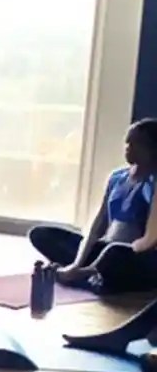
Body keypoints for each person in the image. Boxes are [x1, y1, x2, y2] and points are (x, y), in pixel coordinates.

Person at [29, 119, 157, 294]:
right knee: (41, 234)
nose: (128, 147)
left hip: (131, 257)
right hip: (104, 250)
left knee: (114, 253)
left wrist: (126, 250)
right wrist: (77, 263)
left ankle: (87, 275)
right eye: (127, 142)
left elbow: (149, 241)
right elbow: (97, 228)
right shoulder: (116, 178)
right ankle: (89, 275)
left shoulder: (153, 183)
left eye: (135, 144)